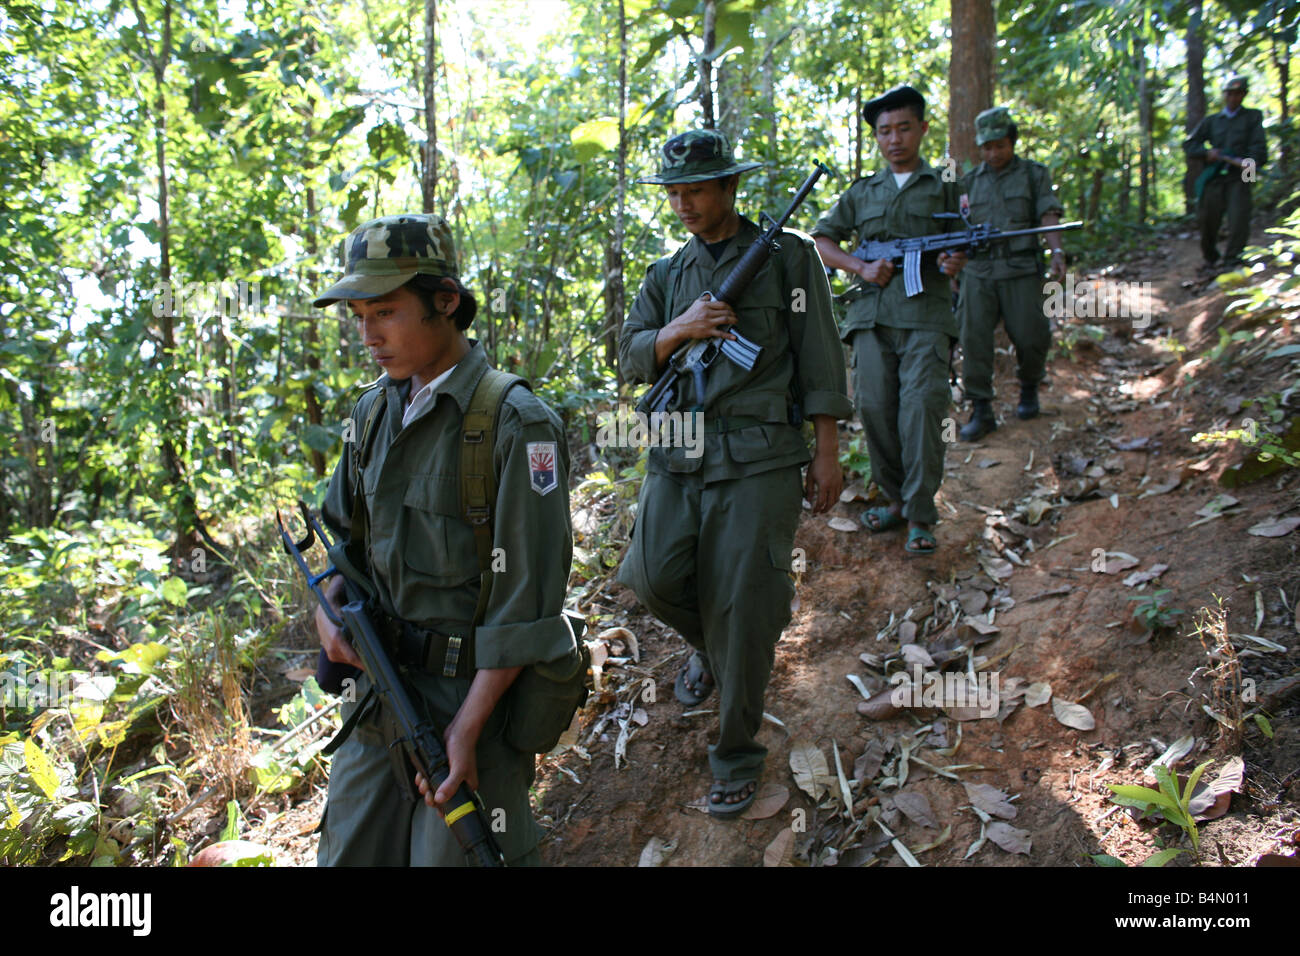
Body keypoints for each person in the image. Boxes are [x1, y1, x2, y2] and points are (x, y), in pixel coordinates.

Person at [310, 213, 574, 866]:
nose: (369, 335)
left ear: (446, 301)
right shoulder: (372, 412)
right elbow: (340, 539)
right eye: (359, 316)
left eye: (386, 312)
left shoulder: (518, 426)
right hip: (379, 693)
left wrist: (469, 727)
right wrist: (327, 612)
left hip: (470, 704)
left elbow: (528, 602)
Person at [616, 129, 852, 815]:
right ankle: (714, 653)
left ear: (730, 187)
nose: (683, 203)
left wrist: (828, 448)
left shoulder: (789, 259)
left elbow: (818, 352)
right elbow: (631, 353)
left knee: (746, 607)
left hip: (760, 458)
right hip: (678, 450)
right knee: (652, 577)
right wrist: (677, 330)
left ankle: (736, 754)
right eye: (674, 192)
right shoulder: (667, 276)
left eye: (696, 189)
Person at [812, 85, 966, 557]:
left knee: (920, 410)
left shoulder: (945, 186)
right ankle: (897, 499)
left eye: (903, 128)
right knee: (876, 409)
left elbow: (961, 243)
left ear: (921, 129)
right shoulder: (862, 192)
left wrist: (952, 261)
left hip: (925, 316)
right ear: (876, 138)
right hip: (872, 317)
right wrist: (861, 267)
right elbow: (821, 240)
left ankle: (920, 513)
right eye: (884, 131)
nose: (894, 138)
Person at [955, 106, 1066, 440]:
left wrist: (1056, 250)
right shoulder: (968, 182)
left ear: (1012, 142)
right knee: (973, 340)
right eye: (987, 147)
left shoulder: (1033, 174)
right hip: (979, 272)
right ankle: (981, 408)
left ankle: (1029, 386)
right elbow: (954, 226)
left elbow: (1048, 211)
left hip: (1021, 270)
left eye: (1000, 145)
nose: (993, 153)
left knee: (1033, 337)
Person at [1183, 75, 1267, 272]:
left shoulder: (1253, 117)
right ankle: (1211, 259)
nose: (1233, 98)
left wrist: (1248, 163)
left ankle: (1233, 260)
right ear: (1225, 95)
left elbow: (1260, 149)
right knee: (1208, 219)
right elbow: (1189, 144)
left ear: (1244, 95)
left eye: (1238, 94)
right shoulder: (1212, 121)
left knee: (1240, 218)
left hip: (1242, 175)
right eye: (1230, 93)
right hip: (1215, 175)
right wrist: (1206, 153)